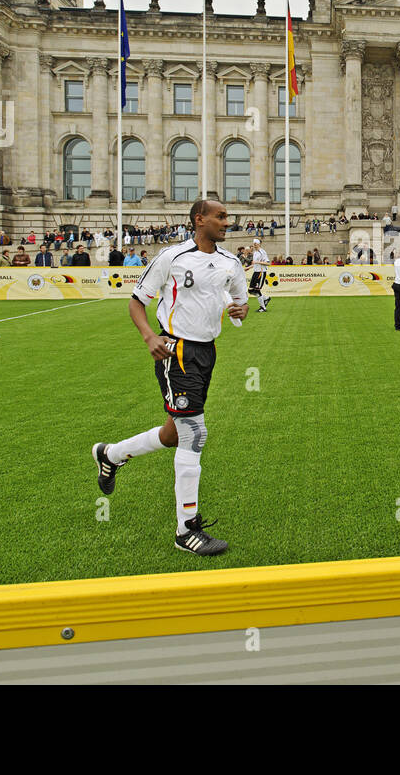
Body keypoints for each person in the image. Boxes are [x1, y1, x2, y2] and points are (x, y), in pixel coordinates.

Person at [91, 199, 247, 556]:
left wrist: (241, 309)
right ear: (199, 219)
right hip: (175, 350)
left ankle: (111, 455)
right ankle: (186, 530)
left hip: (207, 352)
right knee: (194, 433)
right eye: (220, 216)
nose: (227, 222)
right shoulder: (172, 257)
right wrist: (150, 336)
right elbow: (136, 302)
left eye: (226, 216)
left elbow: (241, 302)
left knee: (173, 432)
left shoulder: (230, 262)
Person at [247, 237, 272, 312]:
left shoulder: (262, 252)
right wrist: (249, 267)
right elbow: (255, 263)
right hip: (256, 272)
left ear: (259, 244)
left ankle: (263, 308)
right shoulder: (255, 253)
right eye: (253, 244)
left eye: (256, 244)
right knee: (251, 290)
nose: (254, 245)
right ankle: (266, 298)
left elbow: (268, 263)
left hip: (261, 273)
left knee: (257, 290)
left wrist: (257, 262)